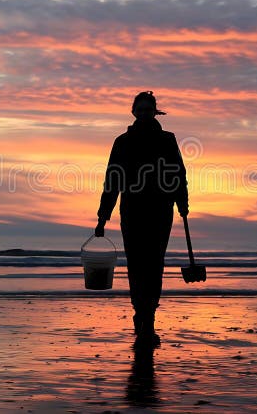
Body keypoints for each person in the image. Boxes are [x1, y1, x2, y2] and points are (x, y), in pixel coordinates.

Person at [95, 90, 189, 345]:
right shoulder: (122, 142)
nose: (145, 113)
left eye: (149, 109)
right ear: (133, 112)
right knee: (136, 266)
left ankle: (149, 320)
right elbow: (112, 178)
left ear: (154, 112)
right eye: (141, 109)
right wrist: (103, 215)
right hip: (133, 210)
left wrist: (183, 203)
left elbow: (178, 173)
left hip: (160, 210)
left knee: (154, 264)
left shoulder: (168, 140)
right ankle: (141, 314)